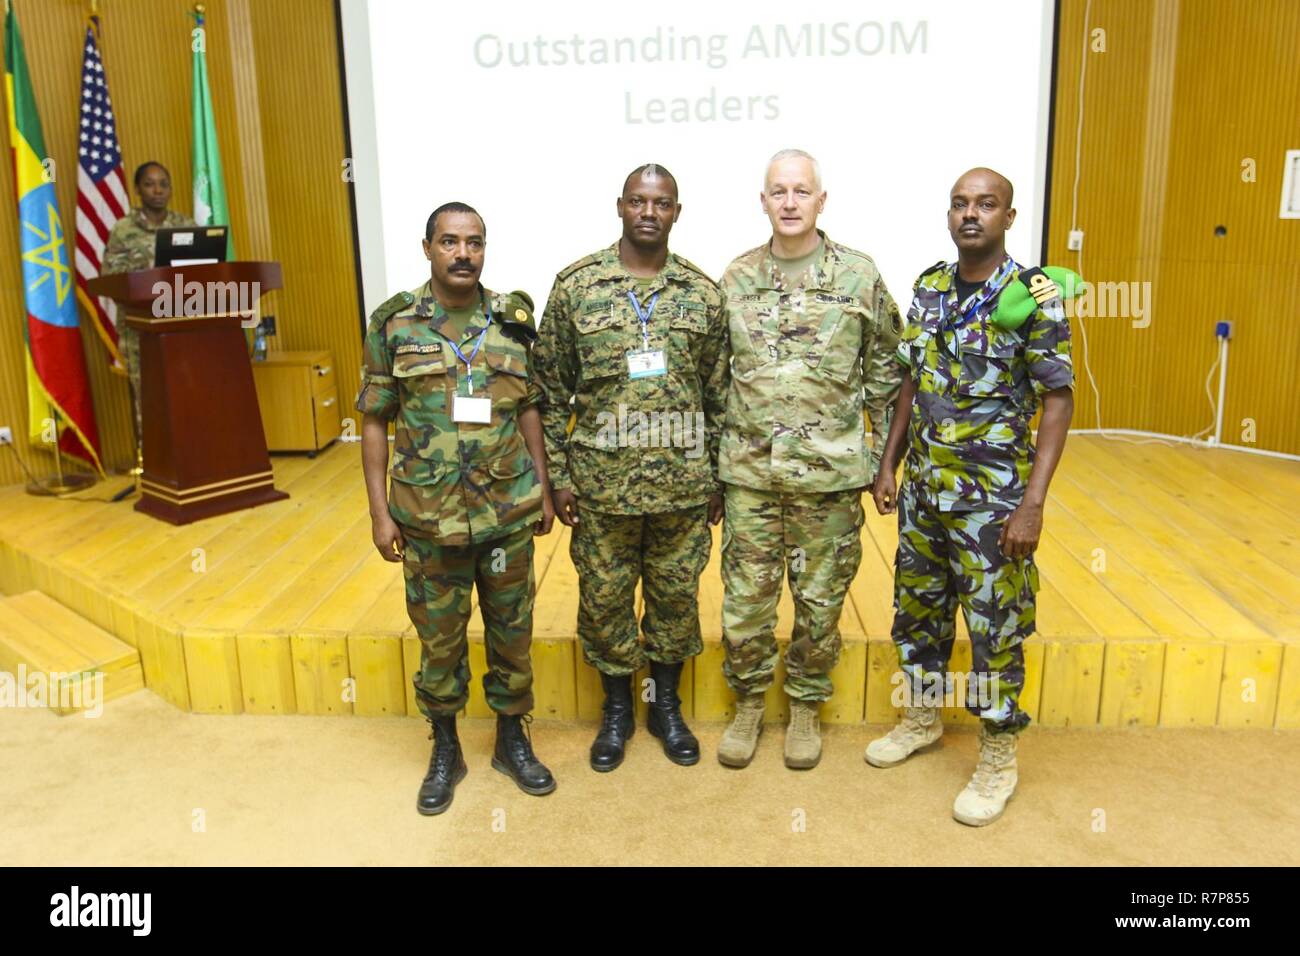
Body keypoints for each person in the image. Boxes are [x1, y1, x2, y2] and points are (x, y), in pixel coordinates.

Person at [866, 167, 1074, 827]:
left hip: (994, 503)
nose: (970, 215)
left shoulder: (1032, 294)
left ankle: (998, 755)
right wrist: (888, 462)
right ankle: (923, 717)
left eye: (986, 204)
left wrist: (1033, 502)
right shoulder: (929, 287)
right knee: (919, 611)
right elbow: (908, 380)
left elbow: (1060, 398)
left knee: (994, 629)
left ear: (1009, 217)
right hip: (927, 491)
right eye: (960, 204)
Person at [356, 201, 557, 815]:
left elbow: (528, 410)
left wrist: (543, 488)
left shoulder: (513, 322)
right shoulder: (395, 326)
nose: (462, 253)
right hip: (427, 517)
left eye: (473, 242)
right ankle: (445, 746)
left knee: (512, 634)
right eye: (449, 241)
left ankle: (509, 741)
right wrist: (378, 512)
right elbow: (373, 420)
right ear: (427, 249)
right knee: (439, 641)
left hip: (505, 514)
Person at [531, 164, 728, 772]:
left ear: (677, 211)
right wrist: (559, 477)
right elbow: (546, 389)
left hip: (682, 488)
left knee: (675, 599)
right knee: (605, 600)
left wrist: (718, 475)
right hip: (601, 488)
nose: (649, 212)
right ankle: (617, 711)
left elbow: (720, 394)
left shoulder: (702, 293)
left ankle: (665, 707)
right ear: (620, 206)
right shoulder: (577, 288)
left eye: (661, 203)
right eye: (638, 201)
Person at [716, 149, 903, 770]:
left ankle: (804, 707)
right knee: (746, 602)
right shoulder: (736, 278)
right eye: (778, 191)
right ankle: (746, 702)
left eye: (801, 191)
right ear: (763, 202)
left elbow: (886, 372)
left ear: (822, 201)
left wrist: (878, 460)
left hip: (829, 476)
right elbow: (716, 378)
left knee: (820, 601)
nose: (790, 202)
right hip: (751, 475)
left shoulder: (858, 276)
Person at [101, 161, 195, 439]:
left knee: (188, 393)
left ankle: (193, 456)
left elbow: (202, 269)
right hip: (140, 329)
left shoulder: (185, 225)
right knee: (150, 398)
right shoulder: (123, 229)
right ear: (138, 190)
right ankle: (156, 462)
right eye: (150, 184)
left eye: (163, 184)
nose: (158, 190)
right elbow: (111, 278)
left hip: (182, 323)